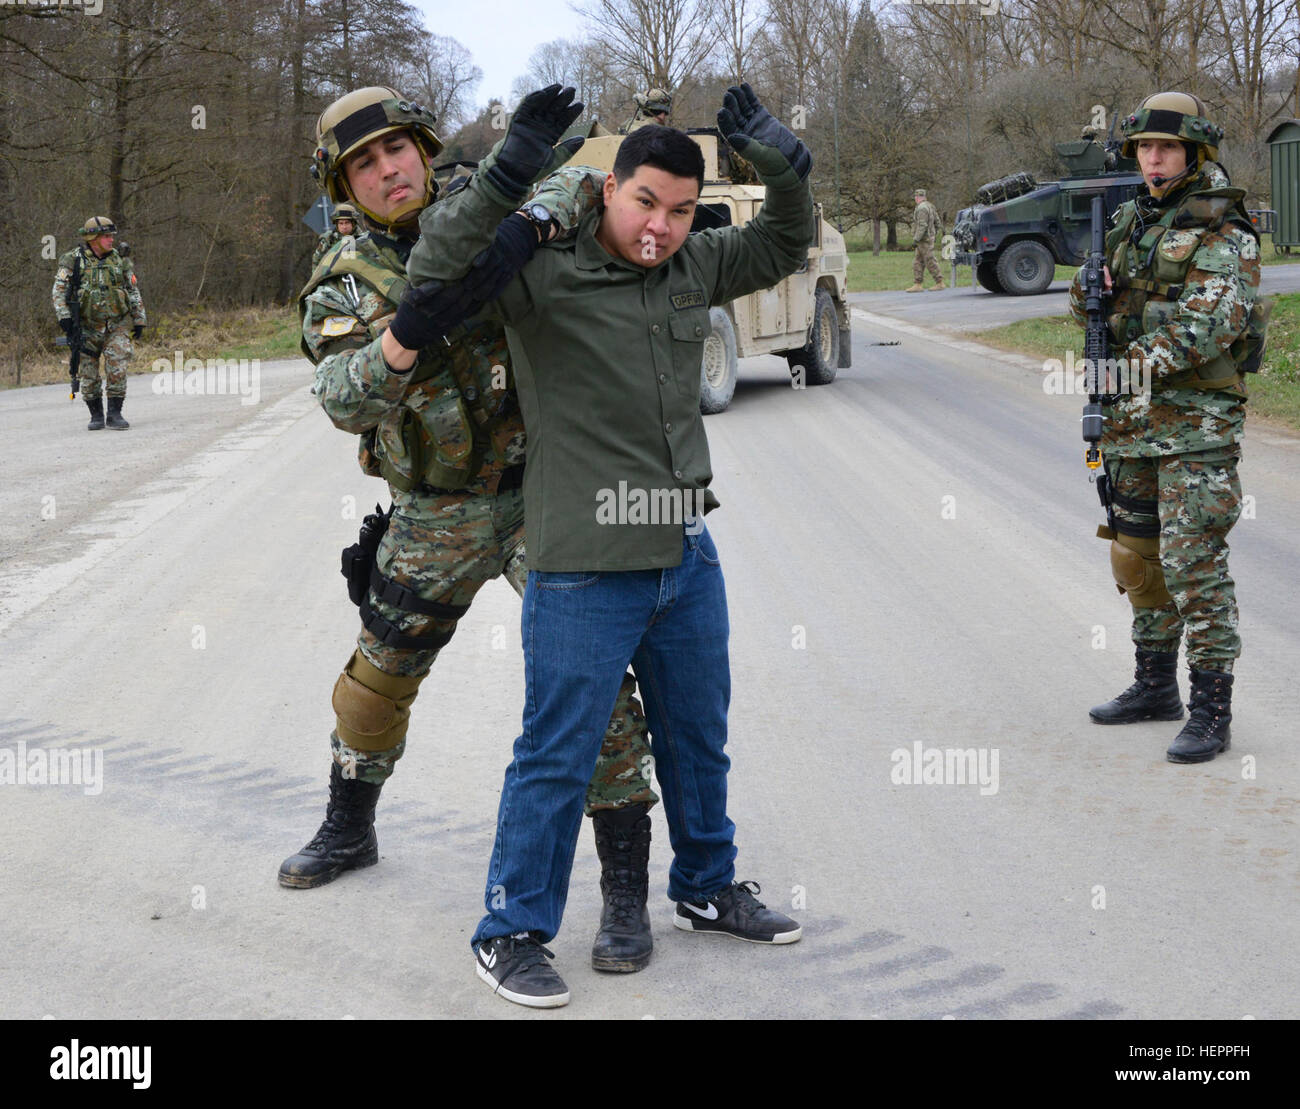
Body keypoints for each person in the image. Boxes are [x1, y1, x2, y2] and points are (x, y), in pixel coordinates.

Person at [406, 83, 811, 1008]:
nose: (661, 228)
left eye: (679, 211)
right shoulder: (538, 271)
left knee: (697, 737)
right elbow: (435, 265)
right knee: (558, 751)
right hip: (584, 566)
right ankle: (509, 927)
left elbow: (786, 243)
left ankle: (707, 887)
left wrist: (781, 163)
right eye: (644, 204)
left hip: (684, 553)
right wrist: (513, 167)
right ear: (608, 189)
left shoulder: (692, 268)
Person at [283, 87, 662, 980]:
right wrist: (409, 331)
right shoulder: (341, 279)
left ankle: (625, 890)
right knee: (378, 679)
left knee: (593, 680)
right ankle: (349, 825)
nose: (388, 171)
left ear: (422, 148)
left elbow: (587, 188)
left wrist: (521, 223)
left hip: (545, 495)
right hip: (434, 508)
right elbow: (344, 400)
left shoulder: (480, 205)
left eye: (397, 150)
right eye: (364, 164)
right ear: (345, 183)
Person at [1069, 92, 1261, 764]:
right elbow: (1093, 307)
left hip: (1196, 425)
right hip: (1132, 424)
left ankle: (1212, 708)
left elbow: (1212, 324)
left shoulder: (1223, 228)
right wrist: (1087, 288)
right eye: (1145, 147)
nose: (1153, 158)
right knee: (1135, 558)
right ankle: (1155, 686)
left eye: (1167, 147)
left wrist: (1127, 368)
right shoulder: (1125, 223)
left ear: (1194, 153)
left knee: (1192, 564)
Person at [51, 216, 146, 430]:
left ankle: (115, 413)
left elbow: (132, 290)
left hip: (116, 324)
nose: (111, 240)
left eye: (112, 235)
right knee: (88, 373)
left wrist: (139, 319)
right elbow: (58, 291)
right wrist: (64, 317)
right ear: (93, 238)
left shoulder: (120, 260)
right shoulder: (74, 260)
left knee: (117, 365)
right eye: (106, 236)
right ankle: (96, 415)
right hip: (86, 326)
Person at [905, 188, 944, 292]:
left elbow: (922, 225)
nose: (915, 199)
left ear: (917, 197)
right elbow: (938, 223)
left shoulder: (921, 208)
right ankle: (918, 284)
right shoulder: (930, 206)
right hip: (927, 238)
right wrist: (933, 235)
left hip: (923, 240)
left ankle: (939, 282)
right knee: (918, 261)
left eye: (915, 197)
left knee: (929, 260)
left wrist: (916, 240)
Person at [311, 202, 359, 268]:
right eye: (341, 223)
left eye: (347, 223)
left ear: (353, 223)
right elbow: (317, 262)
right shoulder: (329, 239)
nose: (344, 227)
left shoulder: (364, 239)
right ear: (336, 224)